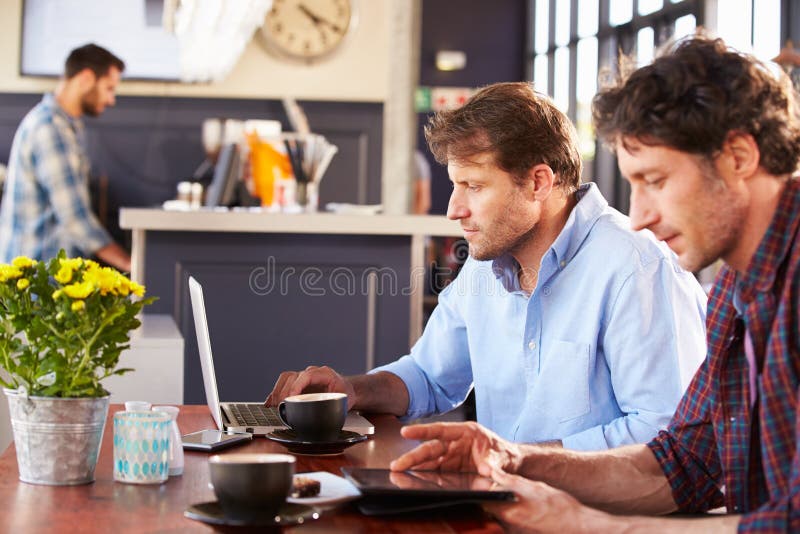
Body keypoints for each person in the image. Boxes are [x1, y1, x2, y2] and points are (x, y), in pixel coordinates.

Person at [391, 36, 800, 532]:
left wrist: (590, 524)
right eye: (635, 185)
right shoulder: (736, 292)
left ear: (738, 157)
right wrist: (511, 459)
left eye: (657, 180)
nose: (642, 215)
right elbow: (683, 462)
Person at [266, 82, 708, 451]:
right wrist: (354, 389)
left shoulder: (638, 268)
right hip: (507, 505)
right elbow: (428, 377)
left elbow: (666, 433)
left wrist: (512, 461)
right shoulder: (487, 265)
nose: (455, 209)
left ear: (538, 182)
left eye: (473, 186)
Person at [0, 43, 131, 272]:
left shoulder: (66, 125)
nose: (112, 100)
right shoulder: (49, 128)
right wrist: (131, 264)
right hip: (34, 285)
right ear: (86, 79)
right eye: (109, 88)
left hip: (46, 277)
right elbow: (75, 218)